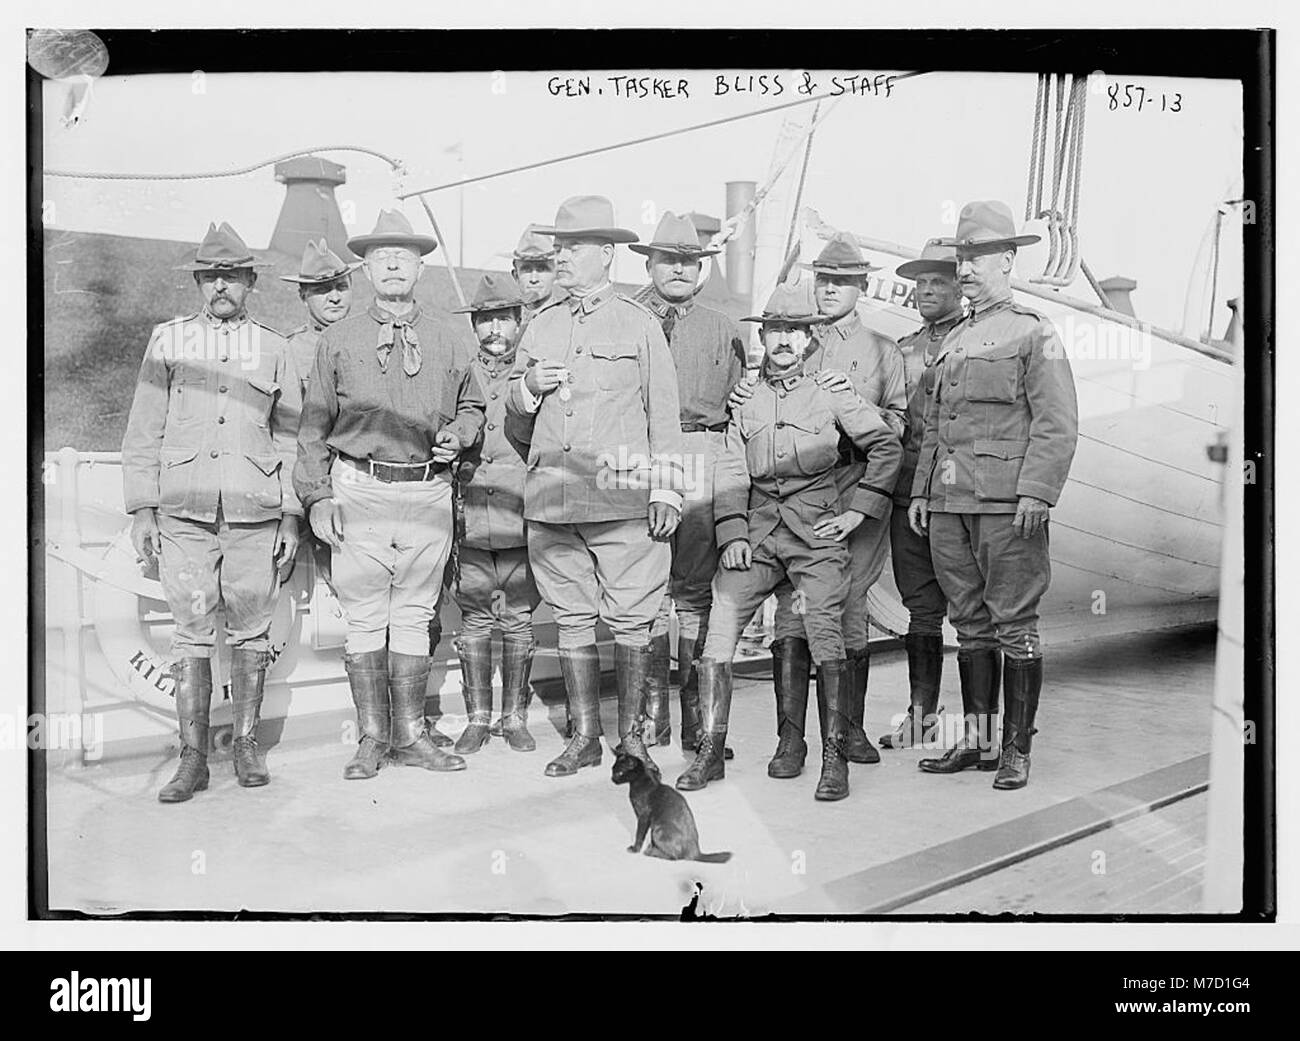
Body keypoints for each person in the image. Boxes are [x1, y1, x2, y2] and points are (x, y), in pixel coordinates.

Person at [680, 282, 902, 801]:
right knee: (720, 625)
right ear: (766, 337)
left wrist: (856, 513)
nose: (784, 340)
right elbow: (732, 468)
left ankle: (833, 757)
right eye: (776, 330)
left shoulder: (830, 392)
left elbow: (885, 447)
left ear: (808, 338)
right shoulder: (748, 398)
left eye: (794, 331)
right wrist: (732, 533)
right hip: (757, 535)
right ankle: (711, 751)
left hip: (816, 535)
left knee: (825, 629)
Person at [294, 209, 486, 780]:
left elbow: (474, 406)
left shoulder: (451, 339)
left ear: (421, 266)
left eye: (404, 254)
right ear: (367, 269)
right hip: (359, 490)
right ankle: (372, 737)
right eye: (382, 255)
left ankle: (409, 734)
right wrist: (317, 497)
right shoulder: (338, 341)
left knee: (414, 614)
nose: (394, 262)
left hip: (428, 490)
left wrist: (462, 433)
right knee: (364, 617)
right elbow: (313, 427)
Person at [121, 221, 301, 801]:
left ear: (250, 282)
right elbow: (144, 429)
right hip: (185, 518)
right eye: (210, 277)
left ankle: (245, 745)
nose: (221, 286)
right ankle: (193, 759)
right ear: (199, 283)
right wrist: (143, 508)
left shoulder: (274, 348)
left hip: (254, 516)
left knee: (252, 631)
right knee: (192, 636)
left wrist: (292, 515)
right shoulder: (168, 341)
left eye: (232, 276)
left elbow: (294, 437)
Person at [506, 195, 683, 779]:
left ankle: (631, 742)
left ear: (606, 254)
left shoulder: (639, 323)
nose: (560, 257)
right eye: (557, 247)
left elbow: (665, 417)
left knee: (633, 620)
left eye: (573, 247)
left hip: (623, 500)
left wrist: (668, 492)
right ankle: (585, 737)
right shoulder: (541, 323)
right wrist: (528, 384)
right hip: (554, 501)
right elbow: (512, 404)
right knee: (572, 618)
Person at [908, 200, 1078, 790]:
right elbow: (935, 421)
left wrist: (1038, 493)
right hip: (951, 506)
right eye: (963, 258)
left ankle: (1016, 751)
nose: (969, 269)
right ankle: (980, 745)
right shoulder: (954, 337)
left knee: (1015, 624)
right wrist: (924, 489)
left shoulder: (1034, 332)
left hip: (1009, 505)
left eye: (980, 257)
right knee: (970, 626)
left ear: (1007, 259)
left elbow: (1056, 422)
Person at [729, 234, 908, 776]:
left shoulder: (882, 349)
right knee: (793, 606)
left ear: (862, 286)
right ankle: (792, 741)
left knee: (846, 604)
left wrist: (848, 411)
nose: (829, 288)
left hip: (853, 489)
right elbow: (760, 407)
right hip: (790, 501)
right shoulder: (790, 332)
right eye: (823, 278)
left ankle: (846, 728)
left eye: (842, 280)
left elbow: (896, 426)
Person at [628, 212, 747, 756]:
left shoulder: (723, 327)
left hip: (702, 451)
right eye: (667, 259)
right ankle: (652, 721)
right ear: (649, 263)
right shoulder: (626, 319)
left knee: (696, 594)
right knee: (648, 591)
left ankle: (700, 724)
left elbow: (739, 402)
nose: (678, 269)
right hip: (643, 456)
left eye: (688, 260)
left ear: (700, 269)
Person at [448, 273, 542, 754]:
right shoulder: (458, 370)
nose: (493, 329)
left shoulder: (535, 373)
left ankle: (515, 717)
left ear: (519, 321)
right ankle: (478, 718)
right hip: (469, 515)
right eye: (485, 320)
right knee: (475, 620)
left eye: (503, 318)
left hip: (520, 513)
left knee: (519, 618)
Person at [878, 240, 964, 749]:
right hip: (906, 492)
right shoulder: (904, 349)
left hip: (958, 497)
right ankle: (921, 720)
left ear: (960, 286)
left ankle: (984, 728)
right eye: (921, 283)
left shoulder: (980, 341)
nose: (928, 291)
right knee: (921, 608)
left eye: (939, 282)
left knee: (977, 611)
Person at [280, 238, 359, 395]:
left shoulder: (367, 341)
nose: (335, 298)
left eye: (342, 287)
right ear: (303, 296)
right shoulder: (289, 350)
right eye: (323, 290)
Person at [511, 224, 563, 333]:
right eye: (526, 269)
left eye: (542, 269)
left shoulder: (568, 319)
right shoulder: (507, 322)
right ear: (516, 276)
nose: (534, 279)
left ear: (556, 273)